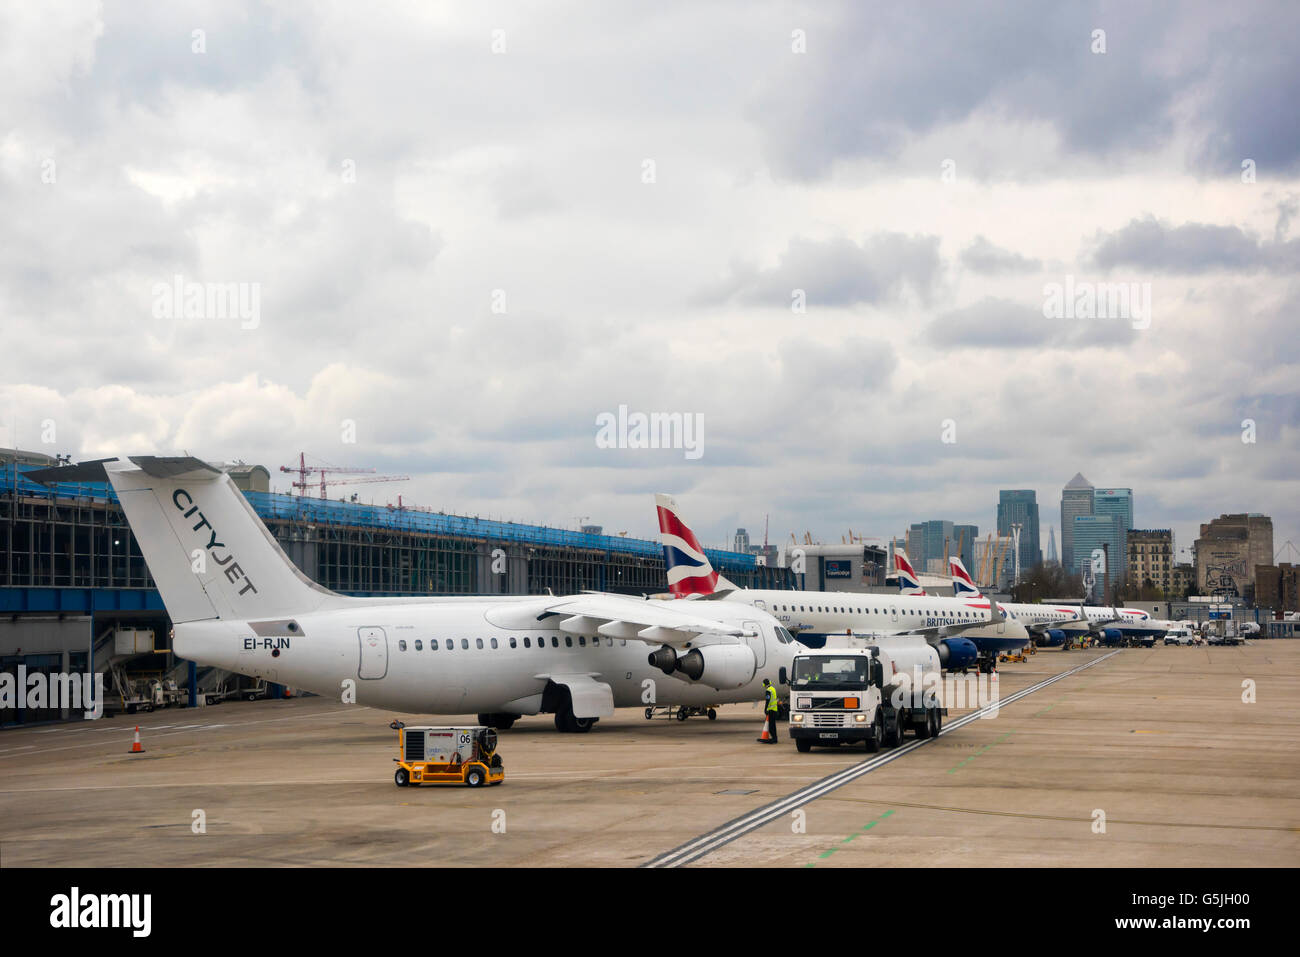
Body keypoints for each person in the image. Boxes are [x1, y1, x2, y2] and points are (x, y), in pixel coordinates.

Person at [758, 678, 779, 743]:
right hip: (775, 709)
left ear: (764, 684)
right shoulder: (773, 689)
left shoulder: (768, 691)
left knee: (771, 726)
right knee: (773, 725)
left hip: (771, 710)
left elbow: (768, 700)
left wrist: (765, 709)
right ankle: (775, 738)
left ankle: (774, 739)